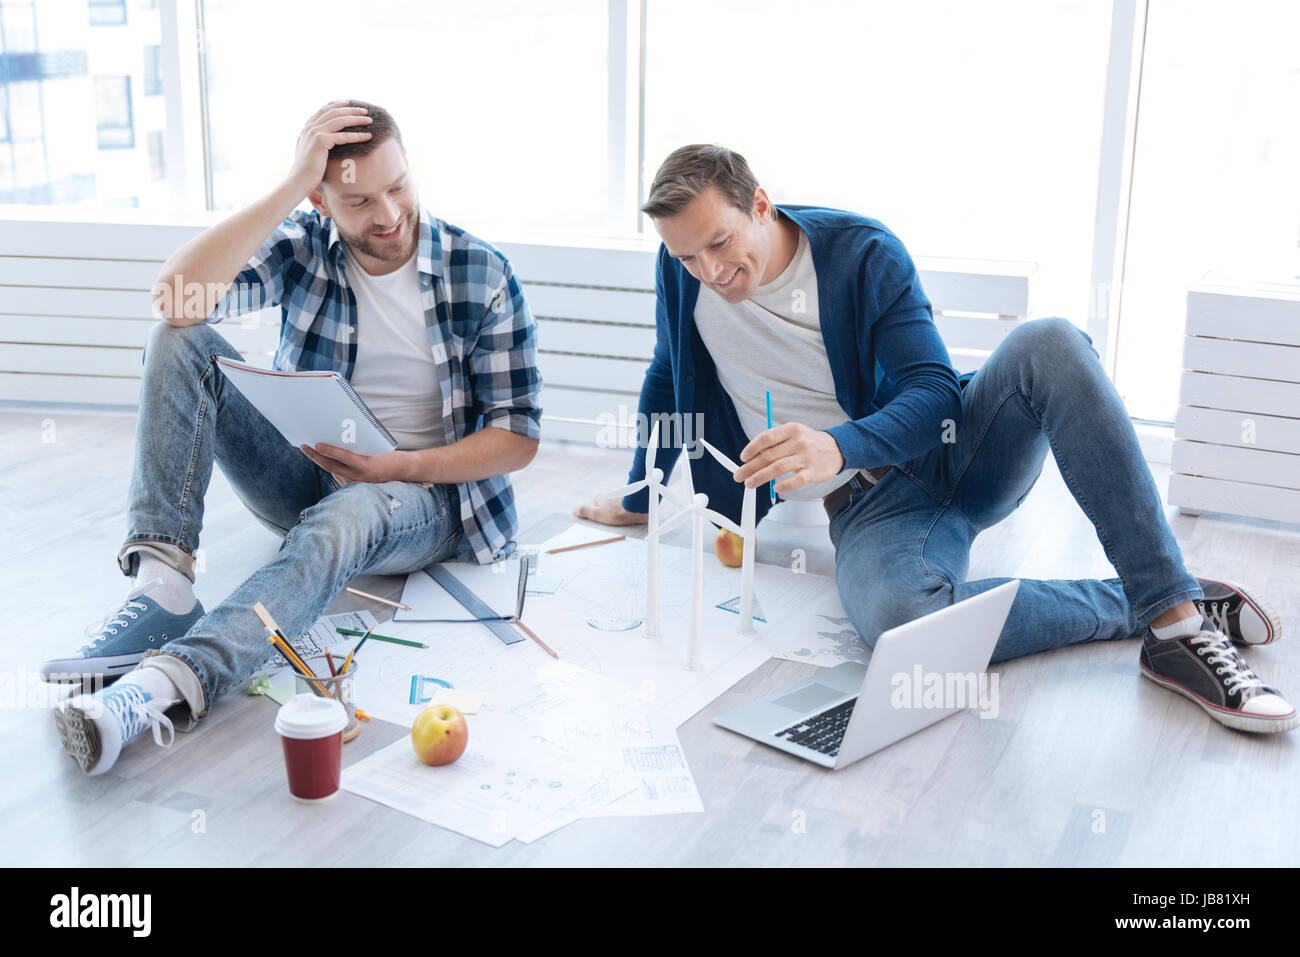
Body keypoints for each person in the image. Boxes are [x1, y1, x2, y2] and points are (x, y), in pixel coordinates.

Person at [576, 143, 1295, 734]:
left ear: (759, 205)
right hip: (870, 512)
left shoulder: (860, 254)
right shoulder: (683, 278)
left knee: (1051, 342)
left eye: (720, 243)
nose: (708, 270)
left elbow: (934, 395)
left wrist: (840, 444)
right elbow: (667, 378)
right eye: (685, 255)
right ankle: (1153, 597)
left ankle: (1176, 629)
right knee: (900, 625)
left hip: (958, 450)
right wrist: (642, 496)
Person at [45, 100, 542, 773]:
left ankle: (156, 688)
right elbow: (176, 298)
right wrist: (286, 188)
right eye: (359, 199)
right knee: (176, 340)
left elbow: (517, 436)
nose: (388, 215)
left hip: (425, 500)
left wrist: (400, 463)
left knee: (360, 505)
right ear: (320, 197)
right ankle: (164, 587)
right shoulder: (306, 243)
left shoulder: (479, 273)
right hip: (305, 476)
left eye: (397, 187)